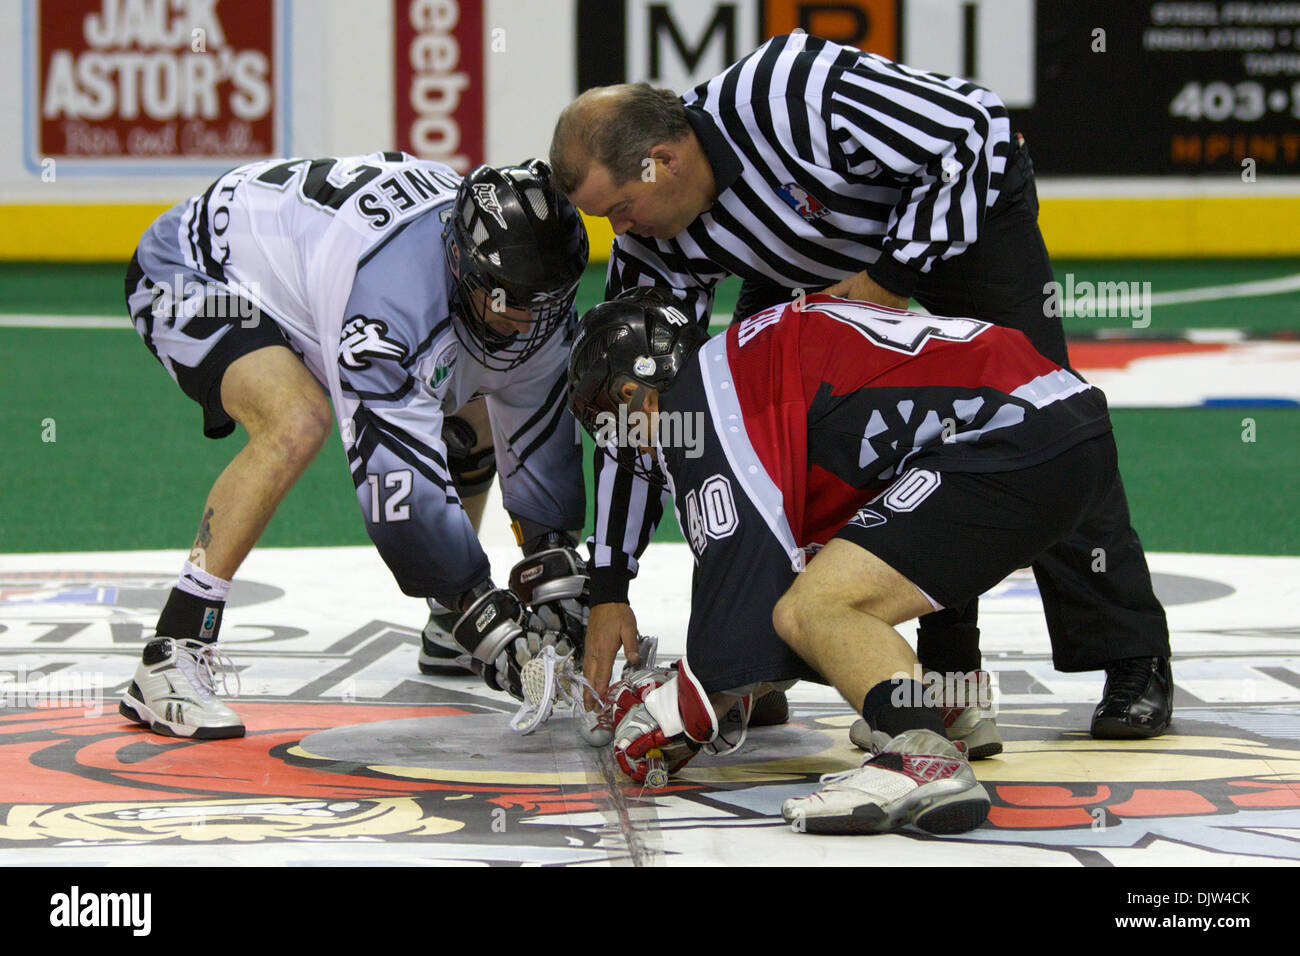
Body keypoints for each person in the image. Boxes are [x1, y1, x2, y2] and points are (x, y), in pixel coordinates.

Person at [549, 32, 1173, 744]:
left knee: (1031, 412)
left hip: (963, 220)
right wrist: (609, 586)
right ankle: (754, 659)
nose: (616, 233)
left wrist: (889, 282)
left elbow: (973, 131)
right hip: (811, 260)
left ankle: (1128, 654)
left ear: (662, 163)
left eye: (619, 208)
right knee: (746, 440)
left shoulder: (789, 90)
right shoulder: (651, 241)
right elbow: (647, 422)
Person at [568, 287, 1150, 835]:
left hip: (1012, 437)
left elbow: (750, 605)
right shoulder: (744, 363)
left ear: (634, 392)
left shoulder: (702, 400)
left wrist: (676, 711)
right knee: (840, 575)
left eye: (610, 424)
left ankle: (921, 759)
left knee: (815, 607)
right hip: (1046, 419)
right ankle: (946, 702)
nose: (622, 446)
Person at [120, 153, 591, 739]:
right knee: (296, 419)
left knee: (477, 392)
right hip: (197, 269)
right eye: (508, 301)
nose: (526, 323)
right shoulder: (386, 303)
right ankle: (171, 653)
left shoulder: (513, 289)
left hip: (311, 257)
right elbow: (399, 498)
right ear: (460, 264)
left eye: (543, 302)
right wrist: (488, 619)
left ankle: (447, 625)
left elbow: (539, 434)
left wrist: (558, 578)